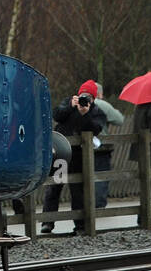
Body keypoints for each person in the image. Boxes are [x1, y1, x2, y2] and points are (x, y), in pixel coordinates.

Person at [40, 89, 107, 234]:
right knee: (54, 187)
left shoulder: (96, 111)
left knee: (78, 191)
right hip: (62, 154)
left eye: (88, 97)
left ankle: (80, 226)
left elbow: (95, 129)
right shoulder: (69, 102)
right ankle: (47, 222)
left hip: (79, 156)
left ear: (93, 99)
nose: (84, 99)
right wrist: (70, 105)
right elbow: (57, 115)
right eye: (82, 95)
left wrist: (85, 114)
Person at [87, 81, 124, 208]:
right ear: (99, 94)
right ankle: (98, 205)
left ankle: (85, 204)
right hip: (101, 148)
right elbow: (120, 120)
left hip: (83, 148)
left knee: (84, 177)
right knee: (100, 177)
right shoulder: (103, 105)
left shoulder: (79, 103)